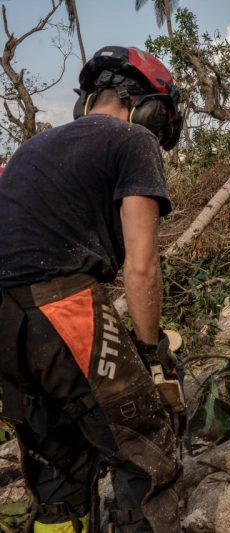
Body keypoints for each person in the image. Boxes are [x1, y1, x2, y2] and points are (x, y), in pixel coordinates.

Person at [0, 46, 184, 532]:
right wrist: (147, 350)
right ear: (144, 106)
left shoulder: (31, 149)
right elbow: (141, 267)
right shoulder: (132, 140)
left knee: (56, 465)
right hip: (61, 303)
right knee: (145, 447)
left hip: (4, 322)